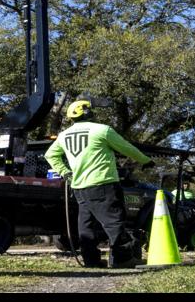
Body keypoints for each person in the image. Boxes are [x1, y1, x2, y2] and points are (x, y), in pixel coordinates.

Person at [46, 100, 152, 268]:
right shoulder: (102, 130)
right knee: (114, 221)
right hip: (103, 184)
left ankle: (91, 260)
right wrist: (145, 160)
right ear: (87, 113)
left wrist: (65, 172)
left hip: (79, 187)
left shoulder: (64, 135)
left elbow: (50, 155)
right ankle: (122, 259)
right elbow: (127, 148)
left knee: (86, 224)